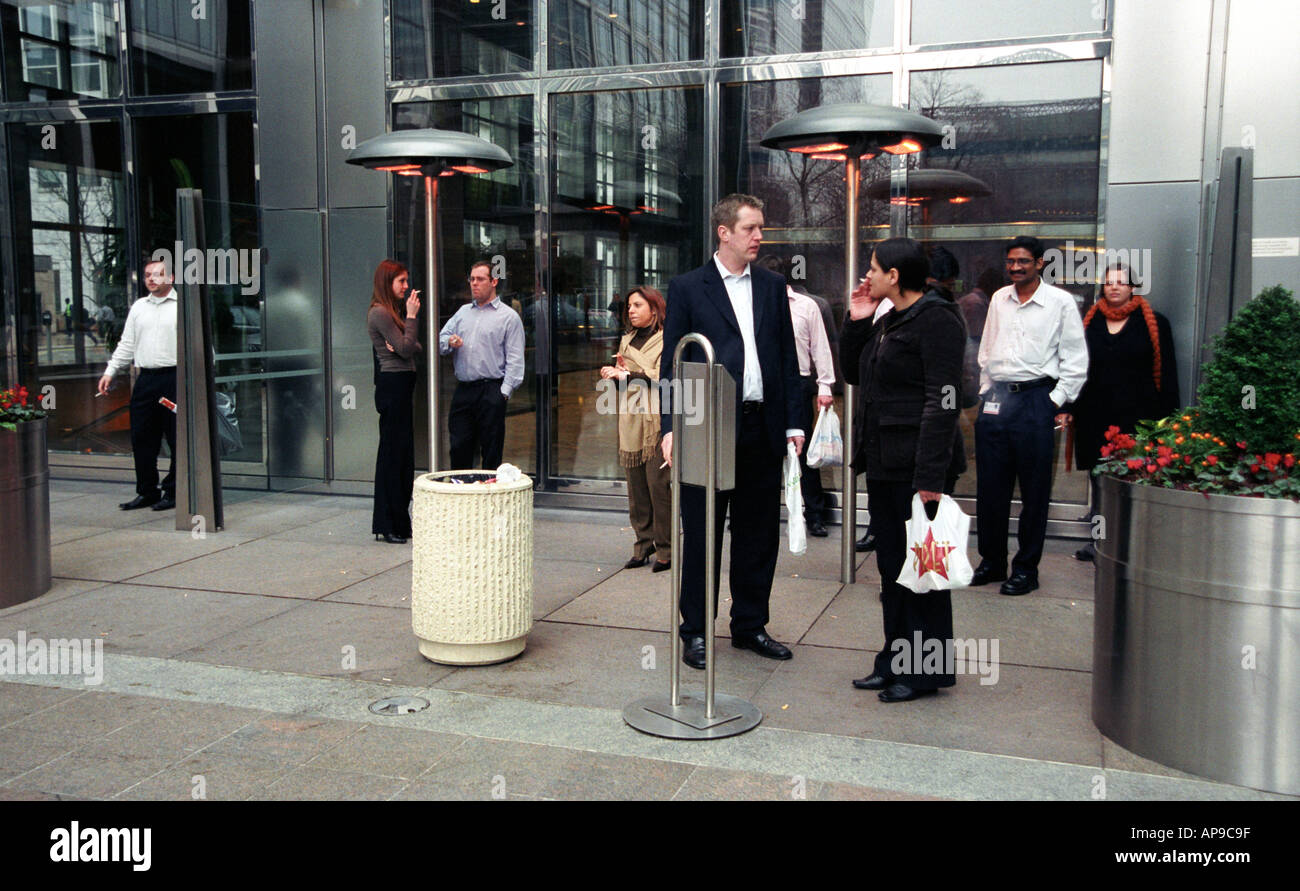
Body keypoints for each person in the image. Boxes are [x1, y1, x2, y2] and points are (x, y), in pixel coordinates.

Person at [659, 194, 804, 670]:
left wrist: (794, 422)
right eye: (751, 228)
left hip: (762, 424)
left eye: (761, 228)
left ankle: (749, 625)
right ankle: (695, 631)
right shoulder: (687, 287)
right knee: (702, 533)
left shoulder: (771, 285)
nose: (759, 236)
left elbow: (786, 358)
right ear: (724, 232)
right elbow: (673, 362)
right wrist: (670, 426)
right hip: (705, 425)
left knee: (758, 533)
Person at [840, 238, 966, 703]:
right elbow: (853, 373)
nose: (866, 277)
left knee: (925, 575)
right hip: (885, 464)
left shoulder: (937, 320)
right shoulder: (889, 318)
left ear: (894, 275)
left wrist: (930, 479)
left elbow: (943, 401)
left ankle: (924, 672)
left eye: (872, 269)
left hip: (919, 471)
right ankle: (894, 661)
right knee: (894, 570)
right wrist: (856, 319)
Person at [973, 236, 1088, 595]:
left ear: (1040, 263)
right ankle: (991, 562)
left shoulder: (1060, 302)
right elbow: (986, 347)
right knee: (990, 489)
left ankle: (1026, 569)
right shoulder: (998, 299)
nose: (1015, 267)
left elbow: (1075, 359)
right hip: (997, 400)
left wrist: (1054, 401)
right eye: (1011, 262)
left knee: (1034, 492)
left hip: (1037, 399)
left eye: (1023, 261)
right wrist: (985, 389)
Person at [1065, 261, 1179, 561]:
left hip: (1137, 417)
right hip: (1095, 416)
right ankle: (1099, 542)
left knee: (1134, 477)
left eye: (1121, 282)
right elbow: (1075, 367)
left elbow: (1166, 373)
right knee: (1100, 481)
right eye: (1109, 282)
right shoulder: (1088, 323)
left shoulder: (1155, 322)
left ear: (1132, 287)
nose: (1114, 287)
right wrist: (1068, 406)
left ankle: (1132, 544)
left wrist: (1169, 419)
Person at [98, 258, 179, 511]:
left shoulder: (183, 307)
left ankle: (175, 491)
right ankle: (147, 492)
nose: (151, 279)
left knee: (177, 438)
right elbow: (127, 343)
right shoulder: (139, 307)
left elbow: (201, 346)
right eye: (147, 275)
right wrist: (110, 371)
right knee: (142, 437)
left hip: (175, 379)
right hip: (146, 380)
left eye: (157, 274)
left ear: (172, 278)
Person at [601, 286, 672, 573]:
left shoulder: (667, 340)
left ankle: (666, 550)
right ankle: (643, 545)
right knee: (636, 488)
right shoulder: (626, 340)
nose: (630, 310)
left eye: (637, 305)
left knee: (658, 487)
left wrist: (628, 373)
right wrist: (614, 374)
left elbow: (661, 378)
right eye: (629, 306)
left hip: (656, 421)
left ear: (653, 309)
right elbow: (626, 382)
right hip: (630, 419)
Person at [439, 261, 525, 470]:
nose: (474, 284)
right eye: (472, 279)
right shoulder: (462, 313)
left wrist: (503, 393)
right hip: (464, 390)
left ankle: (487, 497)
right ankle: (461, 495)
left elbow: (515, 359)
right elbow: (442, 339)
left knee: (491, 449)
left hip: (491, 390)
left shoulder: (508, 317)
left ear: (493, 282)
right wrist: (449, 342)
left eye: (480, 279)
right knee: (459, 446)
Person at [367, 259, 421, 544]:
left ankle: (399, 521)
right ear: (387, 283)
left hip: (400, 386)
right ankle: (388, 523)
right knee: (393, 456)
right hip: (393, 386)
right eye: (401, 281)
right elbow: (405, 347)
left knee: (402, 456)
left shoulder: (390, 313)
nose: (406, 286)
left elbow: (413, 346)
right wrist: (410, 319)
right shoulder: (380, 313)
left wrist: (405, 342)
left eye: (406, 280)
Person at [786, 279, 836, 537]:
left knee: (803, 452)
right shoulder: (756, 304)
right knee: (762, 452)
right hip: (765, 384)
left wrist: (825, 385)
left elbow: (820, 345)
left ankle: (815, 513)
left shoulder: (807, 306)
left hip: (799, 381)